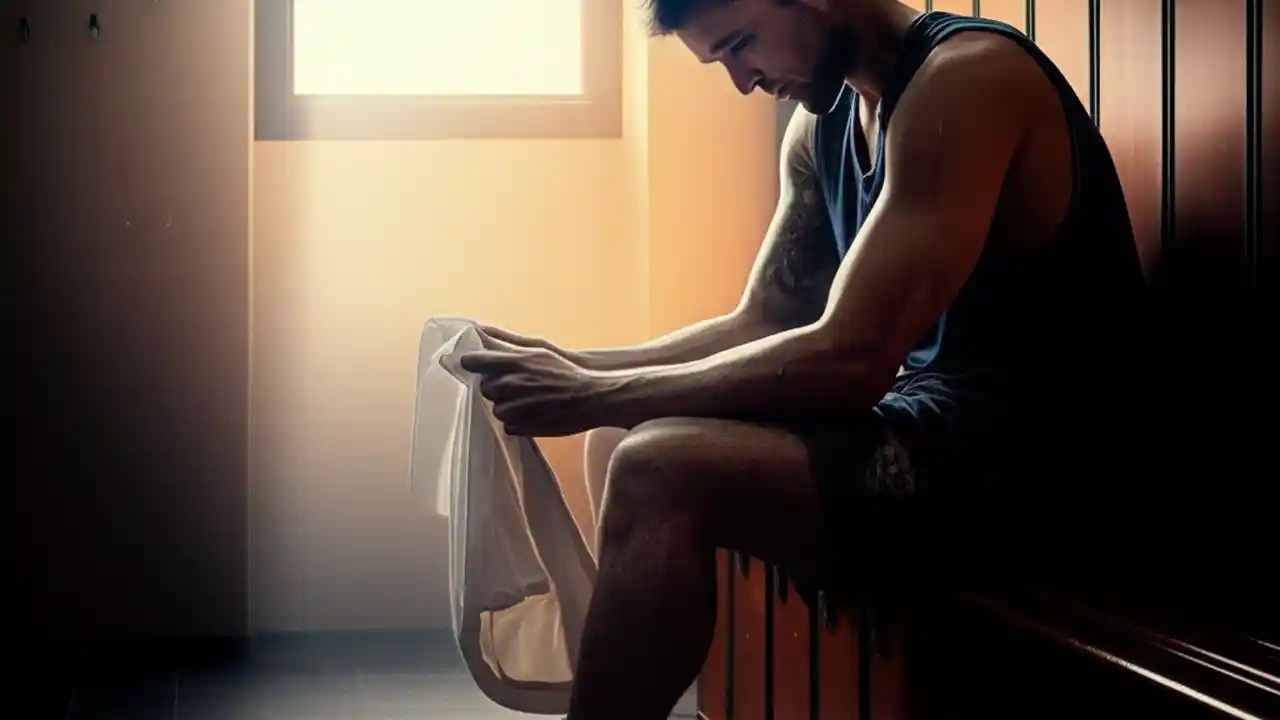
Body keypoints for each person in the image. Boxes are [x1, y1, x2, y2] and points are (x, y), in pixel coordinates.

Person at [459, 1, 1143, 717]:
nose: (742, 82)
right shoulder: (824, 127)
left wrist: (599, 394)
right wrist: (577, 368)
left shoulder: (968, 81)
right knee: (617, 442)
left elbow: (855, 357)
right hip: (938, 430)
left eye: (741, 45)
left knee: (654, 465)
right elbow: (765, 319)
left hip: (1049, 467)